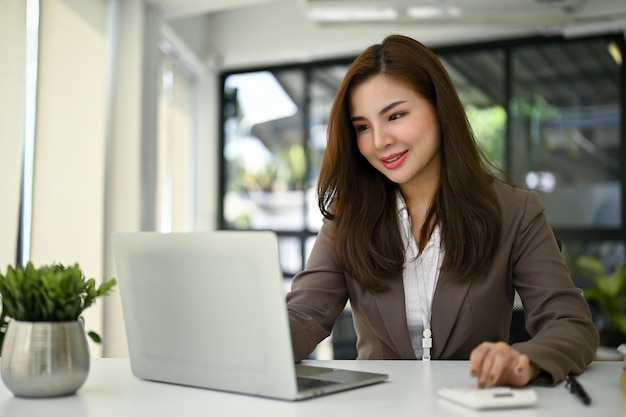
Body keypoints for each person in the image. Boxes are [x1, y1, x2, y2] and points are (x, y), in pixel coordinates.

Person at [285, 34, 599, 388]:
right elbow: (304, 314)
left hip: (474, 405)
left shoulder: (515, 212)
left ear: (439, 107)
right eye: (362, 127)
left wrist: (525, 359)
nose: (378, 141)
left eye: (396, 115)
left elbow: (570, 324)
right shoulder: (348, 218)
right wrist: (246, 342)